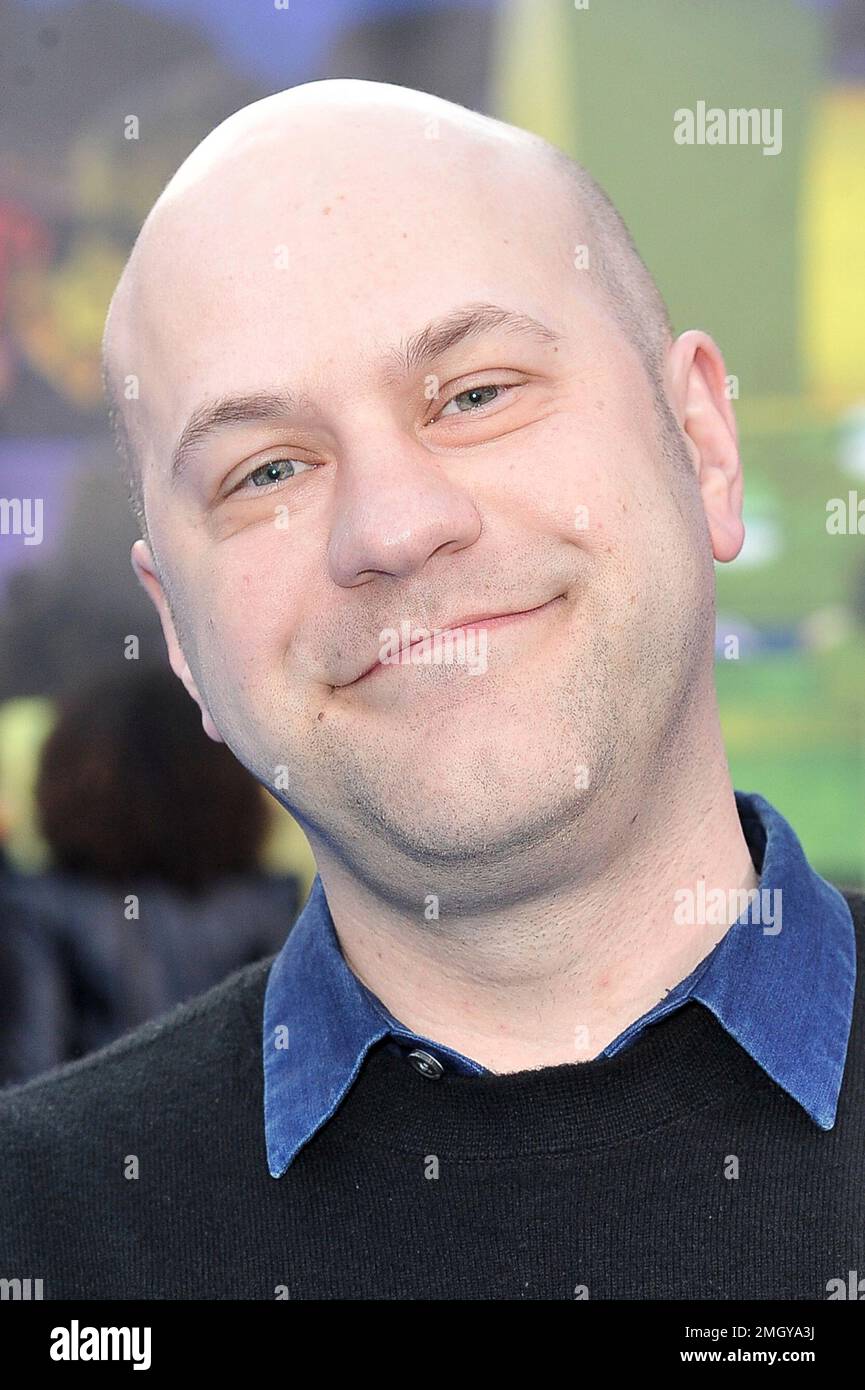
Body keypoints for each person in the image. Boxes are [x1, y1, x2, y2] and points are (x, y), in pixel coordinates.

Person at [0, 79, 861, 1300]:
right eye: (268, 470)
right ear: (179, 636)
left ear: (702, 446)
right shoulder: (38, 1242)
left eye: (475, 393)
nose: (394, 527)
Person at [0, 663, 300, 1085]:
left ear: (66, 780)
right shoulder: (275, 907)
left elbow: (29, 1078)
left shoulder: (37, 913)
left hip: (90, 1143)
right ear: (229, 785)